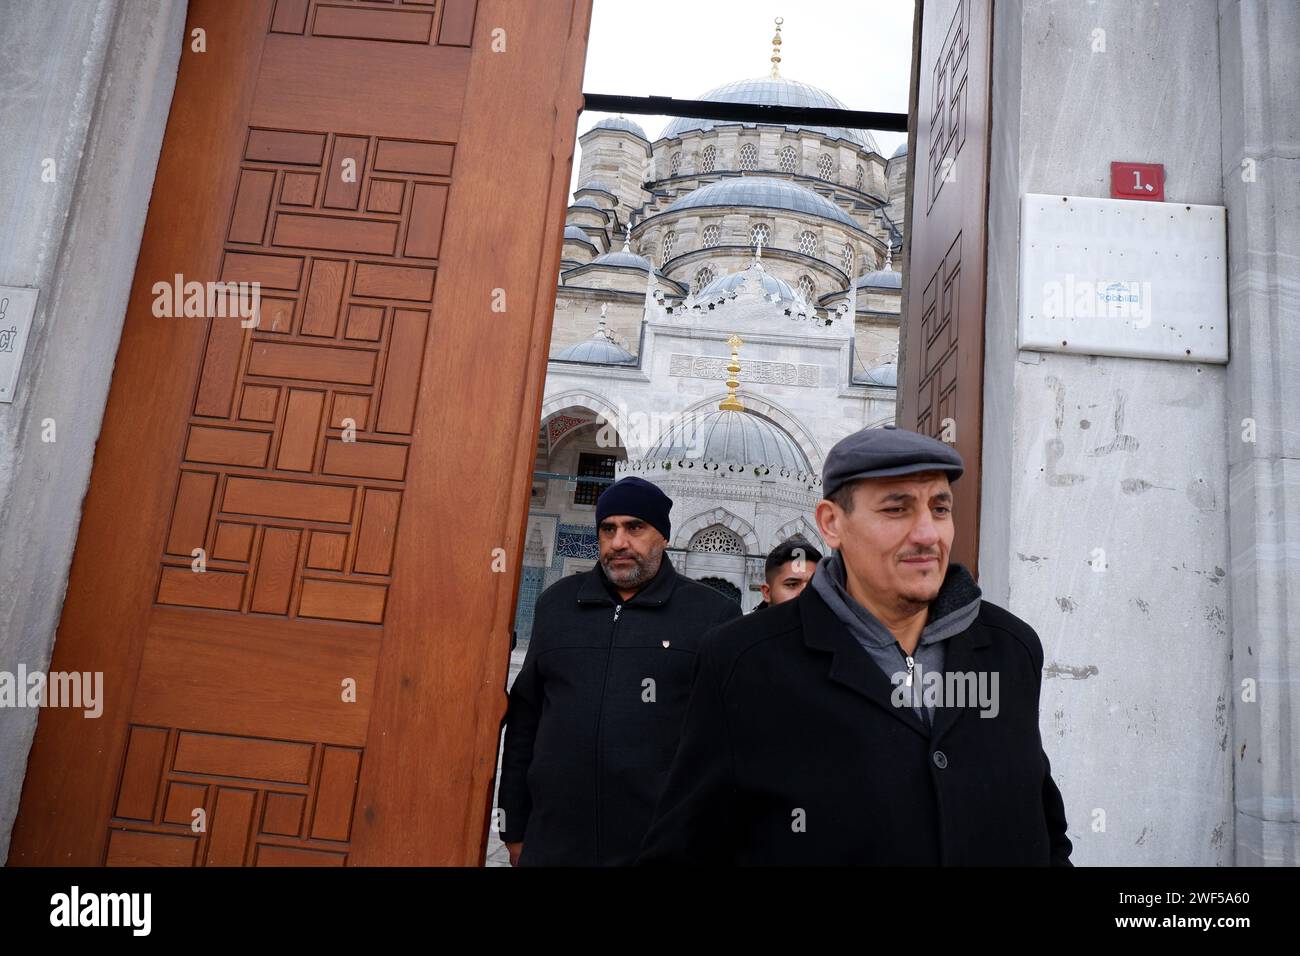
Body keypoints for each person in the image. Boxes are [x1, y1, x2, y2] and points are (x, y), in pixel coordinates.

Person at [639, 425, 1073, 865]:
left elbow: (1043, 827)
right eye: (896, 509)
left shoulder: (1009, 649)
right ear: (832, 523)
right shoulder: (747, 663)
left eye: (940, 509)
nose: (928, 534)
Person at [497, 475, 742, 865]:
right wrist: (513, 826)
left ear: (662, 535)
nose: (618, 542)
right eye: (608, 529)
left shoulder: (711, 615)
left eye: (635, 527)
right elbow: (526, 719)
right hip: (555, 840)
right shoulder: (557, 605)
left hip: (659, 845)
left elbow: (725, 741)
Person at [752, 535, 823, 611]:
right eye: (792, 584)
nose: (806, 594)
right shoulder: (747, 623)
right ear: (767, 593)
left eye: (813, 585)